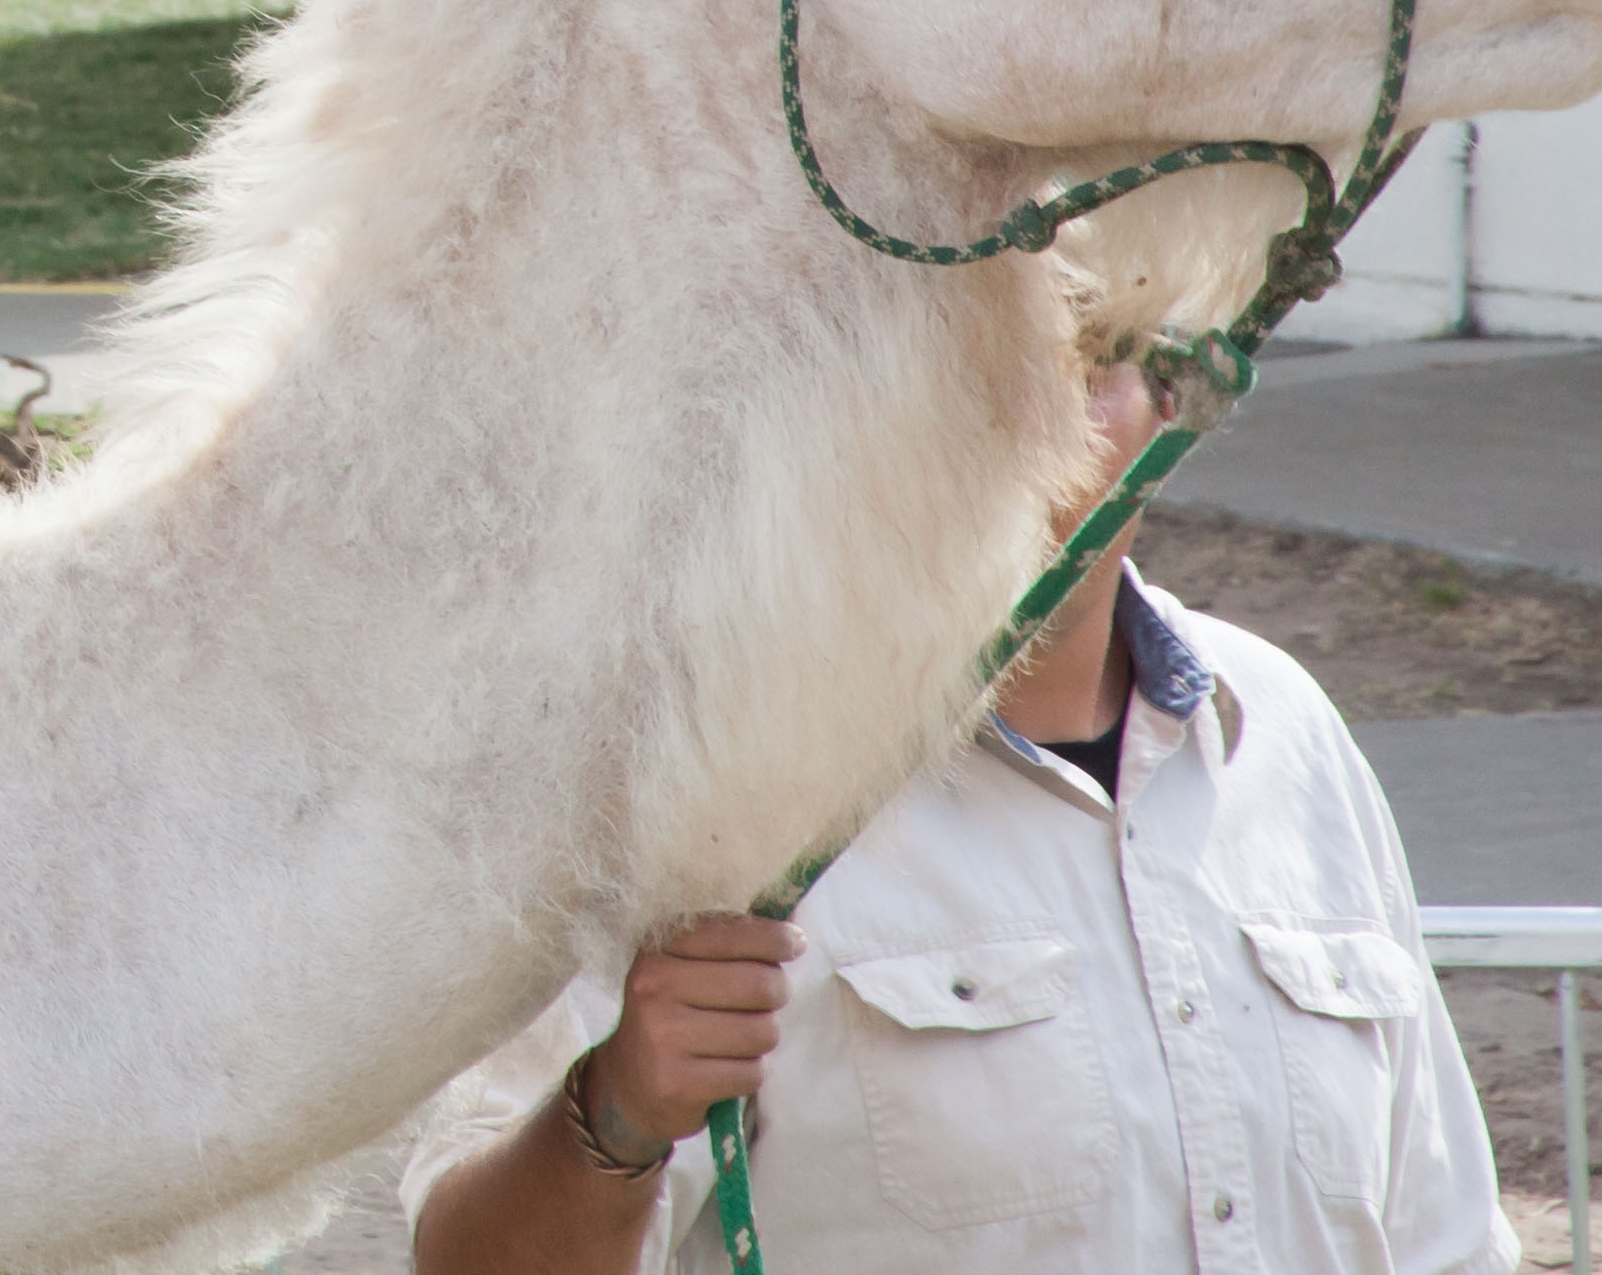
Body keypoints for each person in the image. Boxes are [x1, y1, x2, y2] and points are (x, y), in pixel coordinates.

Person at [402, 364, 1515, 1275]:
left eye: (1084, 360)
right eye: (972, 363)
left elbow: (1447, 1238)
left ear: (1172, 398)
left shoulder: (1282, 727)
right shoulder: (715, 789)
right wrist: (618, 1114)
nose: (1026, 420)